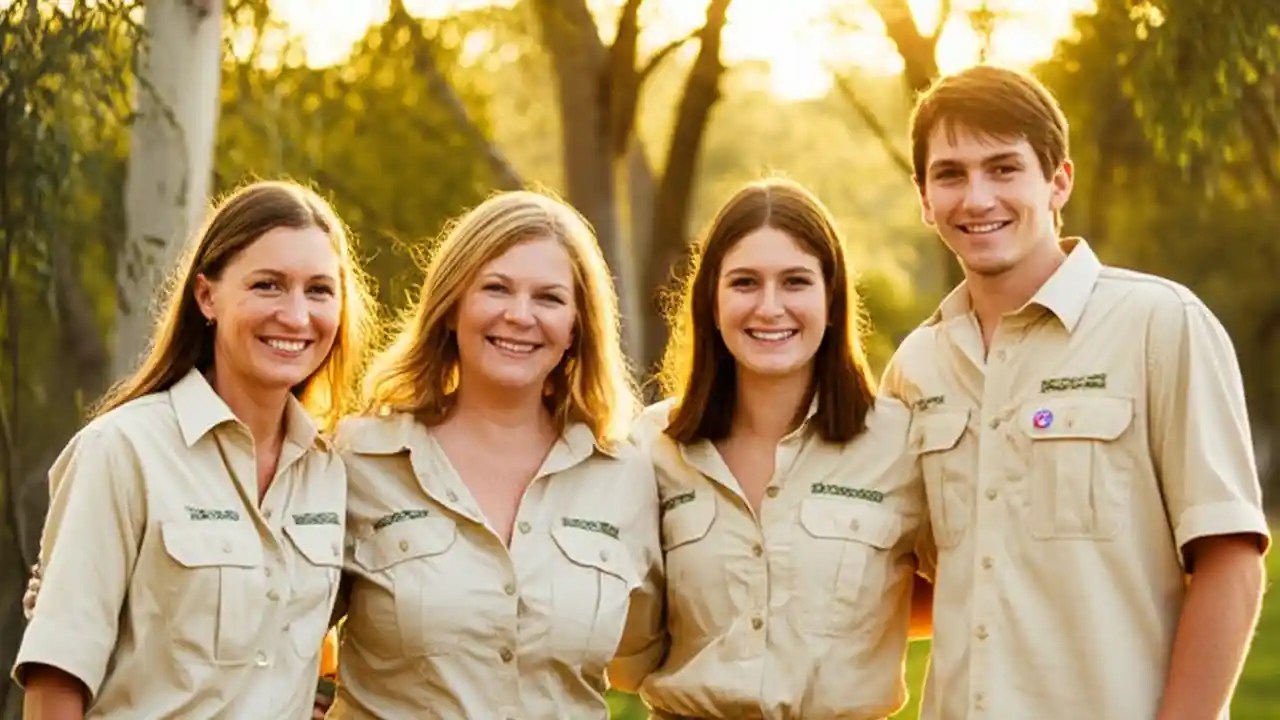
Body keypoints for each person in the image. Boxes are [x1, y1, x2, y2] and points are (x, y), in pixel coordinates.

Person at [880, 65, 1271, 719]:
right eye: (950, 174)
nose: (977, 199)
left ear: (1059, 180)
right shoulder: (916, 368)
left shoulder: (1160, 325)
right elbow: (913, 586)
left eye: (1004, 168)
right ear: (923, 197)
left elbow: (1230, 561)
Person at [12, 180, 376, 719]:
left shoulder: (332, 473)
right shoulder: (122, 452)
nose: (297, 317)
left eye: (319, 290)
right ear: (207, 296)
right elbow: (56, 681)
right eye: (268, 286)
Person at [325, 190, 663, 718]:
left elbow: (648, 657)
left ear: (577, 326)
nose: (520, 316)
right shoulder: (359, 459)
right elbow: (280, 634)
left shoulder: (629, 475)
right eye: (496, 289)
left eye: (549, 298)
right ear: (452, 305)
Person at [635, 178, 929, 719]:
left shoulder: (901, 444)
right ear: (712, 301)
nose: (770, 308)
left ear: (831, 298)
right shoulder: (650, 447)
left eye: (795, 282)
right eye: (745, 283)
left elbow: (973, 585)